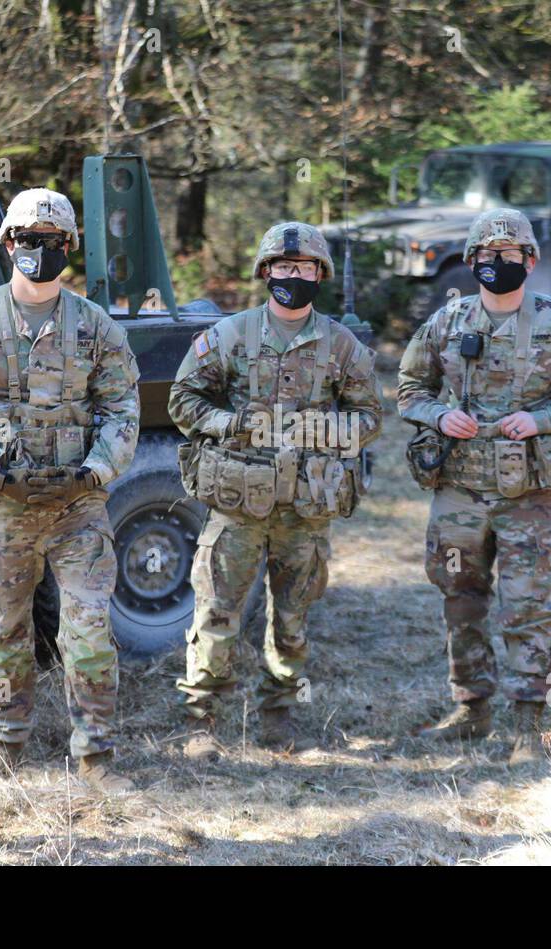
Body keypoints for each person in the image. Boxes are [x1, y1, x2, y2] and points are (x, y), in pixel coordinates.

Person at [0, 188, 140, 794]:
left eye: (51, 243)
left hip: (78, 507)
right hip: (2, 507)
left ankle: (96, 756)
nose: (39, 251)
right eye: (28, 240)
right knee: (6, 627)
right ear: (7, 244)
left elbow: (121, 408)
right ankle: (6, 741)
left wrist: (96, 471)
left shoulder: (96, 327)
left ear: (69, 248)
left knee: (90, 627)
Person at [397, 208, 551, 764]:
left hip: (525, 493)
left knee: (525, 605)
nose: (496, 264)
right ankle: (471, 709)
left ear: (530, 262)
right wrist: (440, 418)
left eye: (508, 256)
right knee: (459, 600)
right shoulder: (447, 321)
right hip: (459, 489)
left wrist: (544, 419)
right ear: (470, 262)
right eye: (486, 256)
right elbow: (408, 389)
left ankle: (527, 725)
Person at [168, 221, 382, 759]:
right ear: (267, 273)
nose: (294, 276)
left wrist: (317, 433)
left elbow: (369, 418)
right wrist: (234, 424)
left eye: (305, 268)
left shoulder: (341, 344)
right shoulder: (230, 335)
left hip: (307, 506)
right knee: (217, 611)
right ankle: (203, 722)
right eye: (284, 268)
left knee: (292, 616)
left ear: (320, 275)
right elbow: (183, 403)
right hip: (239, 502)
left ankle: (278, 714)